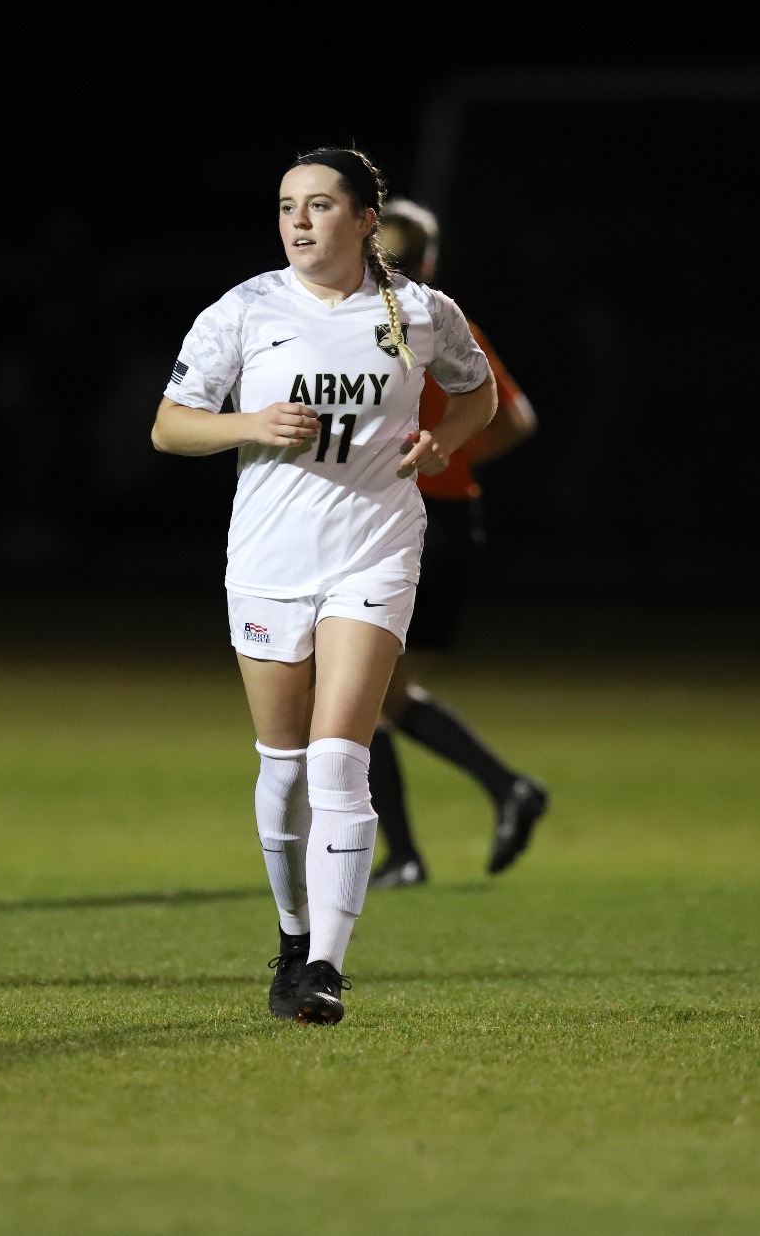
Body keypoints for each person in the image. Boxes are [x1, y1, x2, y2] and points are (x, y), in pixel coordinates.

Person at [153, 148, 497, 1024]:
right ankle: (293, 936)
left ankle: (327, 971)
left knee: (342, 755)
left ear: (364, 221)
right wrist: (248, 423)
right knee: (285, 764)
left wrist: (444, 441)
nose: (298, 221)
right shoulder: (244, 309)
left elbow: (480, 392)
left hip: (375, 551)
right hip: (269, 560)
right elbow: (168, 427)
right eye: (286, 207)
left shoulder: (419, 312)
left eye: (317, 206)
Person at [364, 199, 549, 889]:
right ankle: (503, 792)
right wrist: (454, 454)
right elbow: (517, 418)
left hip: (406, 525)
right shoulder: (447, 320)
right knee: (383, 691)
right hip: (449, 522)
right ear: (432, 260)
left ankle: (408, 852)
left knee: (358, 690)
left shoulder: (372, 322)